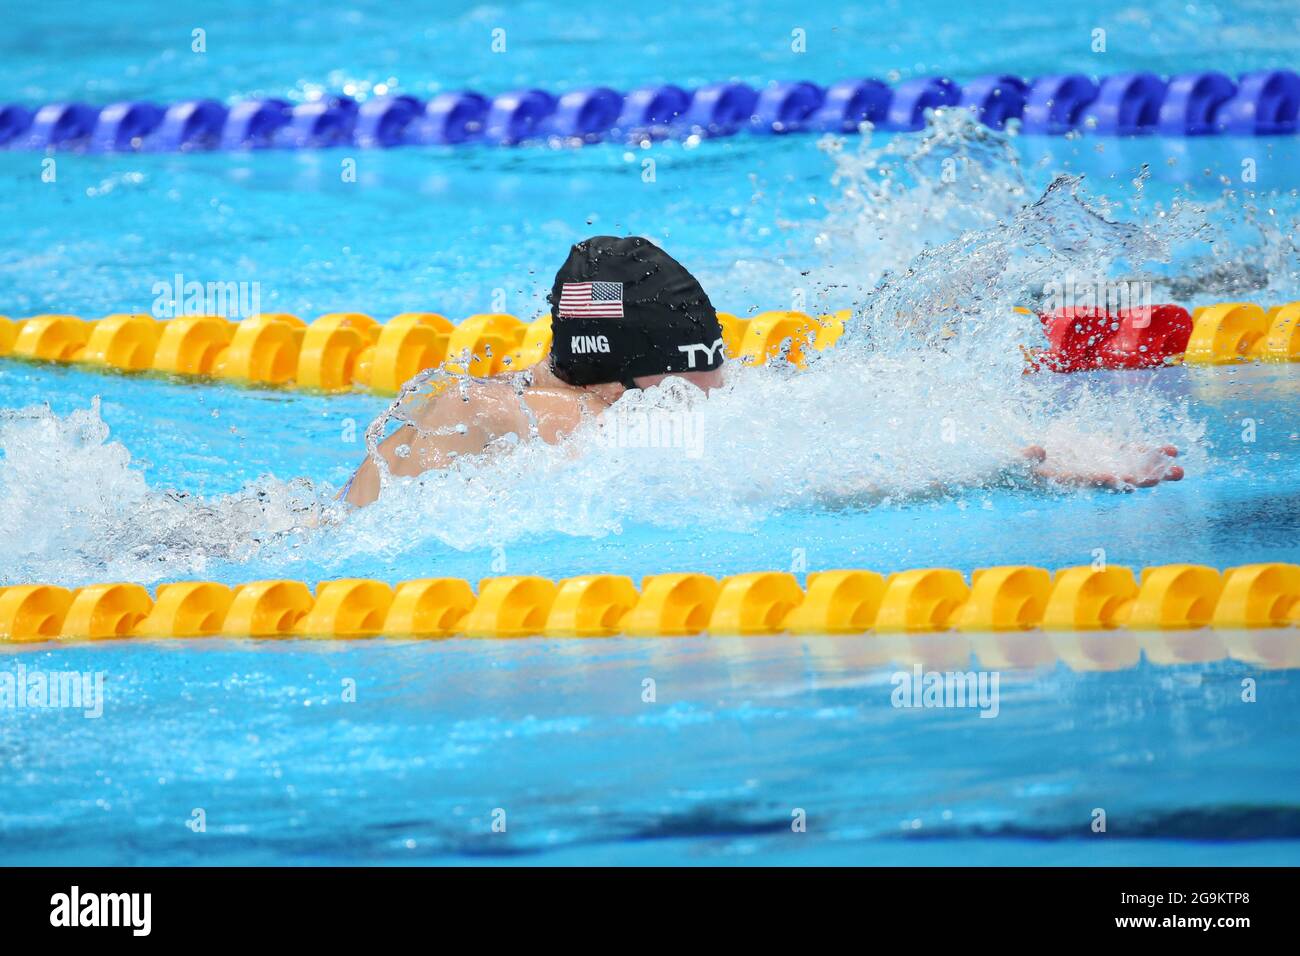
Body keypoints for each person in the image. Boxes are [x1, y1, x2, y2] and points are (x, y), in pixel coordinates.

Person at [343, 235, 1182, 507]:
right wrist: (1005, 468)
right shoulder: (487, 418)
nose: (721, 396)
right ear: (623, 382)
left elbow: (815, 427)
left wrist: (1029, 438)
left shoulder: (613, 401)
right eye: (690, 388)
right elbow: (782, 481)